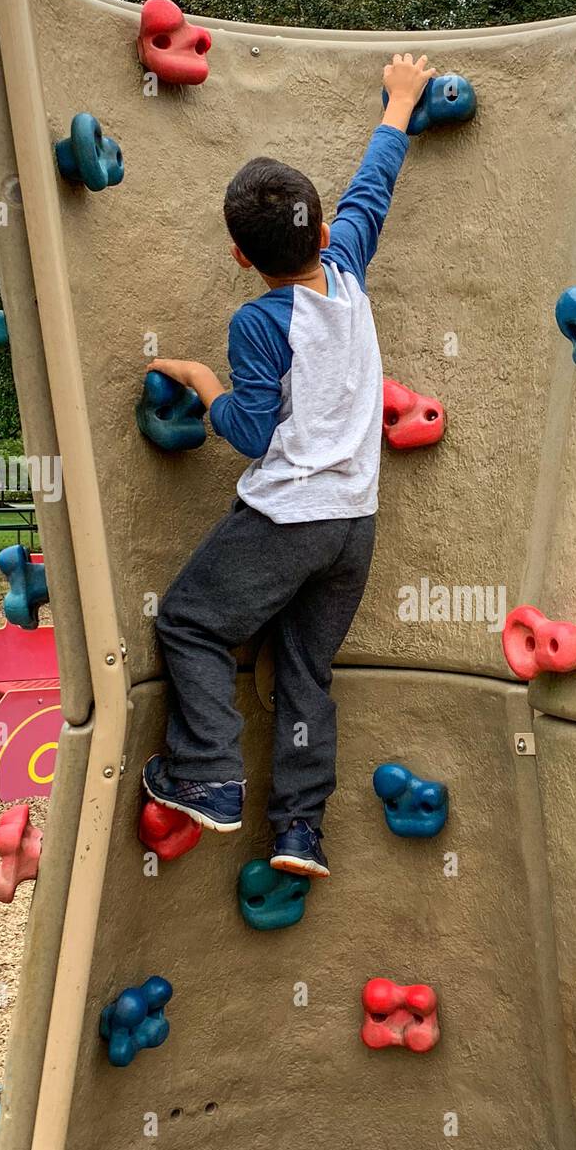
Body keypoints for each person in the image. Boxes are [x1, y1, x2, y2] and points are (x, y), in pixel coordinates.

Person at [141, 53, 435, 880]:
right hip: (355, 526)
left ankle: (208, 775)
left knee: (190, 623)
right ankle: (299, 831)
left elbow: (248, 429)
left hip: (288, 520)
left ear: (242, 258)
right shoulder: (348, 268)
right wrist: (400, 102)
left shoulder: (259, 323)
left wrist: (205, 385)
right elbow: (373, 185)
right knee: (306, 670)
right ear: (326, 233)